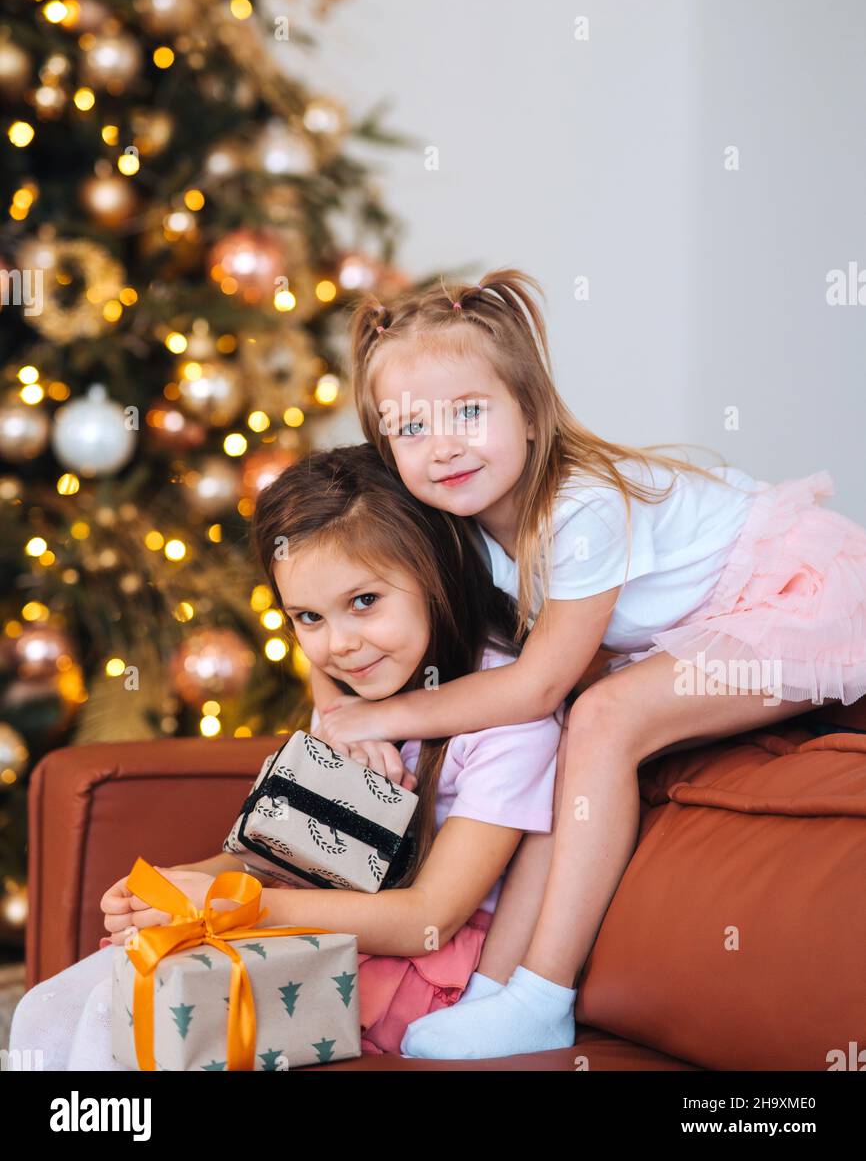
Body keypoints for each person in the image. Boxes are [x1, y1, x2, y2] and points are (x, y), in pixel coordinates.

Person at [313, 267, 866, 1059]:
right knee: (565, 734)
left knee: (602, 713)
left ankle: (544, 993)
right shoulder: (455, 522)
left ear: (531, 414)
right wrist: (342, 718)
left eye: (469, 412)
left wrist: (385, 716)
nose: (444, 448)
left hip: (793, 593)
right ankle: (494, 990)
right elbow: (332, 598)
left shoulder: (579, 507)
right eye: (410, 428)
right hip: (701, 621)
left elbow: (536, 681)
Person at [8, 443, 564, 1067]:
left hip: (419, 971)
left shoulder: (510, 726)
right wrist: (178, 889)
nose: (341, 646)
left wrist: (240, 907)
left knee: (128, 1013)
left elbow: (425, 918)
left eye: (364, 602)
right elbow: (278, 864)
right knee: (46, 1009)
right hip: (318, 930)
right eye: (308, 616)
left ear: (438, 572)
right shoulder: (357, 705)